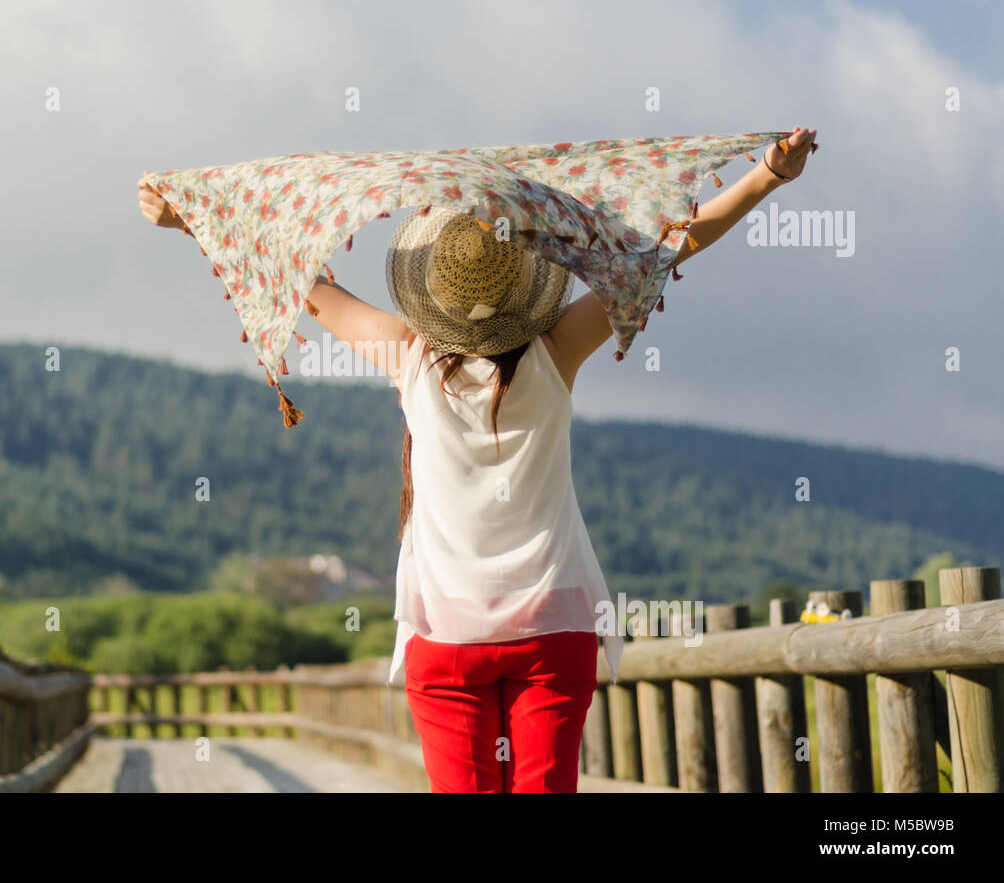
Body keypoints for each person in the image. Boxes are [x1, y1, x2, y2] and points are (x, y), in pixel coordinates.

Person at [140, 127, 817, 792]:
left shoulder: (409, 356)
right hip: (554, 629)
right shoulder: (555, 352)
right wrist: (768, 174)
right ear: (527, 282)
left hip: (447, 635)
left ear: (430, 293)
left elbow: (304, 283)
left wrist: (194, 220)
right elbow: (668, 245)